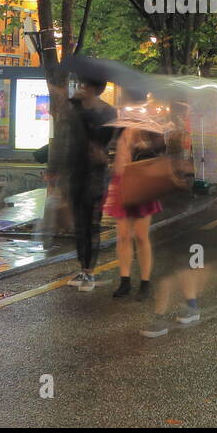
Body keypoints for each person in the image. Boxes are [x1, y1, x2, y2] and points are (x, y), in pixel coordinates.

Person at [65, 77, 117, 292]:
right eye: (80, 85)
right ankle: (83, 267)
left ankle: (88, 271)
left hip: (94, 174)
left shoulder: (107, 112)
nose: (81, 88)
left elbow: (104, 142)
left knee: (90, 223)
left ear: (95, 89)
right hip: (76, 172)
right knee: (79, 224)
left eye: (85, 85)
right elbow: (66, 138)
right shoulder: (74, 107)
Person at [104, 125, 166, 300]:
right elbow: (116, 160)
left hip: (141, 182)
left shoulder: (148, 131)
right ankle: (125, 280)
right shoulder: (121, 130)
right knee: (123, 236)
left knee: (140, 235)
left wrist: (141, 142)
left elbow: (159, 151)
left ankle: (145, 282)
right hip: (121, 183)